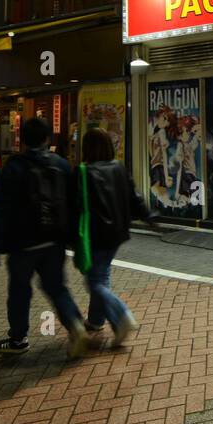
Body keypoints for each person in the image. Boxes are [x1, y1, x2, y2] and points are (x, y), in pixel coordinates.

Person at [0, 116, 88, 357]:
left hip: (23, 243)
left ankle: (18, 338)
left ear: (22, 139)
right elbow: (74, 205)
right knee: (57, 288)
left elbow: (0, 208)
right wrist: (73, 237)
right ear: (47, 139)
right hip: (55, 240)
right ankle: (75, 325)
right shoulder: (62, 165)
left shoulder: (14, 167)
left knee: (20, 290)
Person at [71, 129, 150, 347]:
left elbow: (74, 205)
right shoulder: (118, 167)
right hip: (117, 234)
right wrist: (147, 215)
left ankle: (122, 315)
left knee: (95, 283)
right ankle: (96, 320)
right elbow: (134, 196)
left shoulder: (83, 171)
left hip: (95, 235)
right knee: (101, 275)